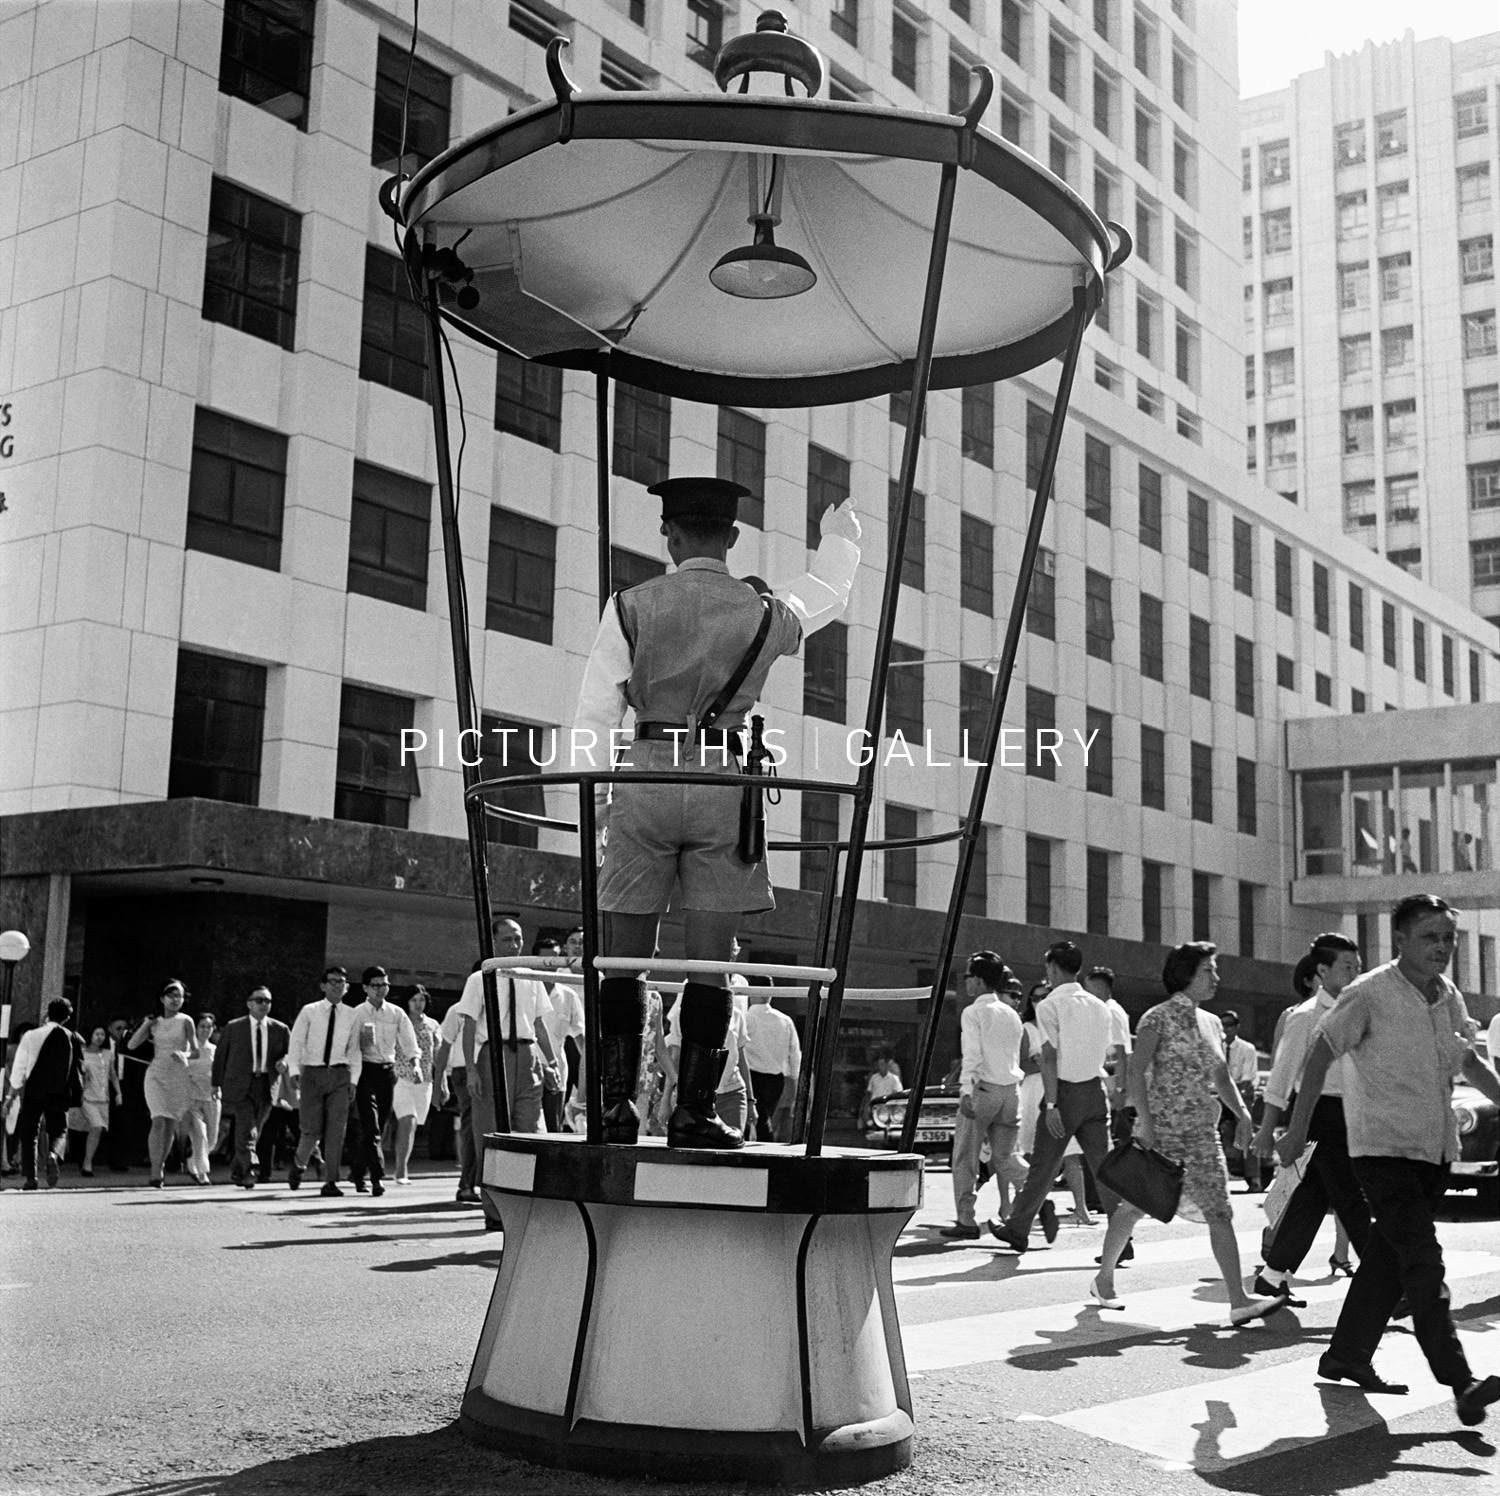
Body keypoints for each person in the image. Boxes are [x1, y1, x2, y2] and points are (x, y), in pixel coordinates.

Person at [575, 476, 860, 1149]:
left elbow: (595, 712)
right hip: (723, 786)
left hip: (643, 779)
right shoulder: (763, 612)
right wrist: (840, 539)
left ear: (669, 536)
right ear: (733, 539)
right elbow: (828, 593)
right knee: (711, 960)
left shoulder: (631, 604)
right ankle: (694, 1114)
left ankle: (614, 1109)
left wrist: (590, 802)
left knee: (622, 956)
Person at [1277, 895, 1500, 1422]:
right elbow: (1321, 1051)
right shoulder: (1370, 992)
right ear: (1400, 939)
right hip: (1381, 1151)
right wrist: (1297, 1127)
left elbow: (1467, 1059)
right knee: (1424, 1263)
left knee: (1387, 1260)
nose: (1442, 948)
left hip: (1433, 1150)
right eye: (1430, 937)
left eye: (1448, 937)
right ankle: (1461, 1381)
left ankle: (1346, 1355)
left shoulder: (1447, 998)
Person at [1091, 943, 1285, 1326]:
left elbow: (1220, 1075)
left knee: (1219, 1211)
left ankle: (1238, 1300)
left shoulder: (1212, 1023)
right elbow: (1135, 1072)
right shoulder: (1155, 1019)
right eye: (1208, 971)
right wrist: (1144, 1122)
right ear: (1186, 975)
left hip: (1202, 1135)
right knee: (1133, 1208)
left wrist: (1242, 1113)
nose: (1216, 978)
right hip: (1161, 1134)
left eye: (1214, 970)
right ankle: (1104, 1278)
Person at [1251, 934, 1370, 1303]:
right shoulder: (1305, 1018)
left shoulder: (1359, 1011)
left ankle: (1272, 1276)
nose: (1356, 972)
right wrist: (1268, 1131)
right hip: (1320, 1113)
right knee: (1351, 1199)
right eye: (1347, 966)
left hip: (1353, 1113)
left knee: (1313, 1197)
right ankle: (1390, 1282)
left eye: (1358, 965)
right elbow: (1282, 1078)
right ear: (1323, 971)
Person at [987, 943, 1121, 1253]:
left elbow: (1049, 1057)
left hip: (1065, 1092)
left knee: (1043, 1167)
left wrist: (1051, 1104)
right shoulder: (1100, 1005)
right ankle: (1121, 1238)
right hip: (1095, 1092)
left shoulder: (1049, 1005)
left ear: (1053, 969)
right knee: (1102, 1169)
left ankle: (1018, 1229)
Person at [459, 916, 563, 1228]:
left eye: (518, 938)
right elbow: (467, 1025)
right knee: (490, 1135)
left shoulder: (531, 976)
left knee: (529, 1132)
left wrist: (552, 1063)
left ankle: (526, 1210)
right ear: (493, 943)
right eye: (507, 939)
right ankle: (493, 1211)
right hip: (492, 1056)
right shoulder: (481, 978)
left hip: (528, 1055)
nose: (515, 944)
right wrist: (471, 1071)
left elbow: (540, 1024)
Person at [941, 954, 1030, 1239]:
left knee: (965, 1157)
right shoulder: (1011, 1014)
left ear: (978, 980)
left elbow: (973, 1055)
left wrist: (966, 1090)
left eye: (968, 977)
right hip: (1010, 1092)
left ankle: (967, 1221)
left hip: (983, 1091)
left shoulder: (973, 1012)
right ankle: (1038, 1196)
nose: (966, 981)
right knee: (1005, 1157)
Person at [285, 966, 364, 1197]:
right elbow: (297, 1042)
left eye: (341, 982)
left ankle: (331, 1181)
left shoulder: (352, 1015)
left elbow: (354, 1050)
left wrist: (354, 1080)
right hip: (312, 1073)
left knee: (336, 1131)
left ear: (347, 987)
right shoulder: (310, 1011)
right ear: (323, 985)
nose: (337, 986)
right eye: (332, 981)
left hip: (339, 1075)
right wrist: (293, 1070)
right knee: (311, 1130)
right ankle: (299, 1165)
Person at [348, 966, 420, 1197]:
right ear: (366, 988)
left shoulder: (396, 1013)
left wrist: (414, 1064)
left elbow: (409, 1042)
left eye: (385, 985)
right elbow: (350, 1048)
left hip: (387, 1073)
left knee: (381, 1125)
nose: (381, 990)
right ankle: (376, 1177)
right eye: (376, 985)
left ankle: (357, 1172)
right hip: (364, 1072)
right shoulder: (356, 1013)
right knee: (372, 1126)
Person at [213, 987, 290, 1189]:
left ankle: (238, 1170)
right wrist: (215, 1084)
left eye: (267, 1001)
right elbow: (221, 1056)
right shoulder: (234, 1027)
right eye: (259, 1000)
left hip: (266, 1084)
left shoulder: (279, 1029)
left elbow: (290, 1054)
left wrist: (284, 1062)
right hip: (239, 1085)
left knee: (256, 1128)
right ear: (249, 1003)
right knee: (247, 1128)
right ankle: (250, 1168)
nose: (264, 1004)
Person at [128, 980, 200, 1189]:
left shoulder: (186, 1020)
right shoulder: (154, 1021)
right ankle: (154, 1171)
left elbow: (195, 1051)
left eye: (179, 995)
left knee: (170, 1124)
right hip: (156, 1075)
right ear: (162, 998)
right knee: (158, 1119)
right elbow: (132, 1045)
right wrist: (146, 1025)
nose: (175, 999)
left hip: (178, 1075)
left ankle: (160, 1166)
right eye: (171, 995)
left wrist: (184, 1054)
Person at [9, 997, 84, 1190]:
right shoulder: (73, 1037)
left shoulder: (32, 1035)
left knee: (29, 1133)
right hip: (59, 1091)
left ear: (47, 1013)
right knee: (59, 1131)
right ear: (67, 1017)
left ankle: (30, 1177)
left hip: (34, 1089)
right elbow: (78, 1068)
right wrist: (77, 1095)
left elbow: (19, 1065)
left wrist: (14, 1090)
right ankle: (53, 1155)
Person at [392, 985, 446, 1184]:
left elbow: (438, 1057)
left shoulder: (432, 1025)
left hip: (424, 1081)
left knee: (414, 1125)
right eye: (414, 1000)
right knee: (408, 1121)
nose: (418, 1004)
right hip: (401, 1078)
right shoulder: (399, 1021)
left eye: (421, 1000)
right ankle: (400, 1171)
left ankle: (401, 1165)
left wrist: (442, 1084)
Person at [743, 988, 802, 1143]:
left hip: (752, 1077)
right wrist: (794, 1079)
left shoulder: (746, 1017)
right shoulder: (785, 1020)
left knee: (757, 1121)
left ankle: (762, 1156)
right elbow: (795, 1053)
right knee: (764, 1118)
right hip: (776, 1081)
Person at [439, 995, 478, 1204]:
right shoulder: (458, 1010)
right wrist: (438, 1083)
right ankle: (466, 1185)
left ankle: (471, 1183)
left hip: (488, 1069)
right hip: (465, 1071)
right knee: (472, 1126)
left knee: (478, 1127)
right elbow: (444, 1046)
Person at [1218, 1010, 1263, 1193]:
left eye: (1229, 1025)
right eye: (1222, 1025)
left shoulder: (1247, 1049)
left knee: (1246, 1129)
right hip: (1217, 1093)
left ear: (1237, 1027)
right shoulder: (1214, 1046)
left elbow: (1246, 1080)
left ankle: (1256, 1179)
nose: (1225, 1029)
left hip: (1240, 1093)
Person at [74, 1026, 119, 1177]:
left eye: (102, 1034)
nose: (99, 1037)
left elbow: (112, 1074)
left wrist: (118, 1092)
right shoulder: (83, 1053)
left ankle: (87, 1160)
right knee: (96, 1127)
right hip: (87, 1096)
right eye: (96, 1034)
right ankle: (87, 1163)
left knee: (96, 1130)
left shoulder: (108, 1054)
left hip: (103, 1097)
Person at [181, 1013, 219, 1184]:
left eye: (208, 1027)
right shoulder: (187, 1049)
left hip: (211, 1097)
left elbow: (220, 1073)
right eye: (202, 1026)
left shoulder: (215, 1050)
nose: (205, 1030)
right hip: (191, 1098)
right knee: (200, 1135)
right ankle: (203, 1174)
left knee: (212, 1139)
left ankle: (193, 1160)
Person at [858, 1053, 904, 1131]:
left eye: (882, 1064)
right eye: (879, 1064)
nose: (880, 1067)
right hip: (874, 1108)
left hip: (888, 1109)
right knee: (872, 1129)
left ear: (887, 1066)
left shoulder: (894, 1079)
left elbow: (899, 1094)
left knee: (887, 1130)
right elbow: (869, 1095)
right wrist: (865, 1113)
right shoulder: (873, 1078)